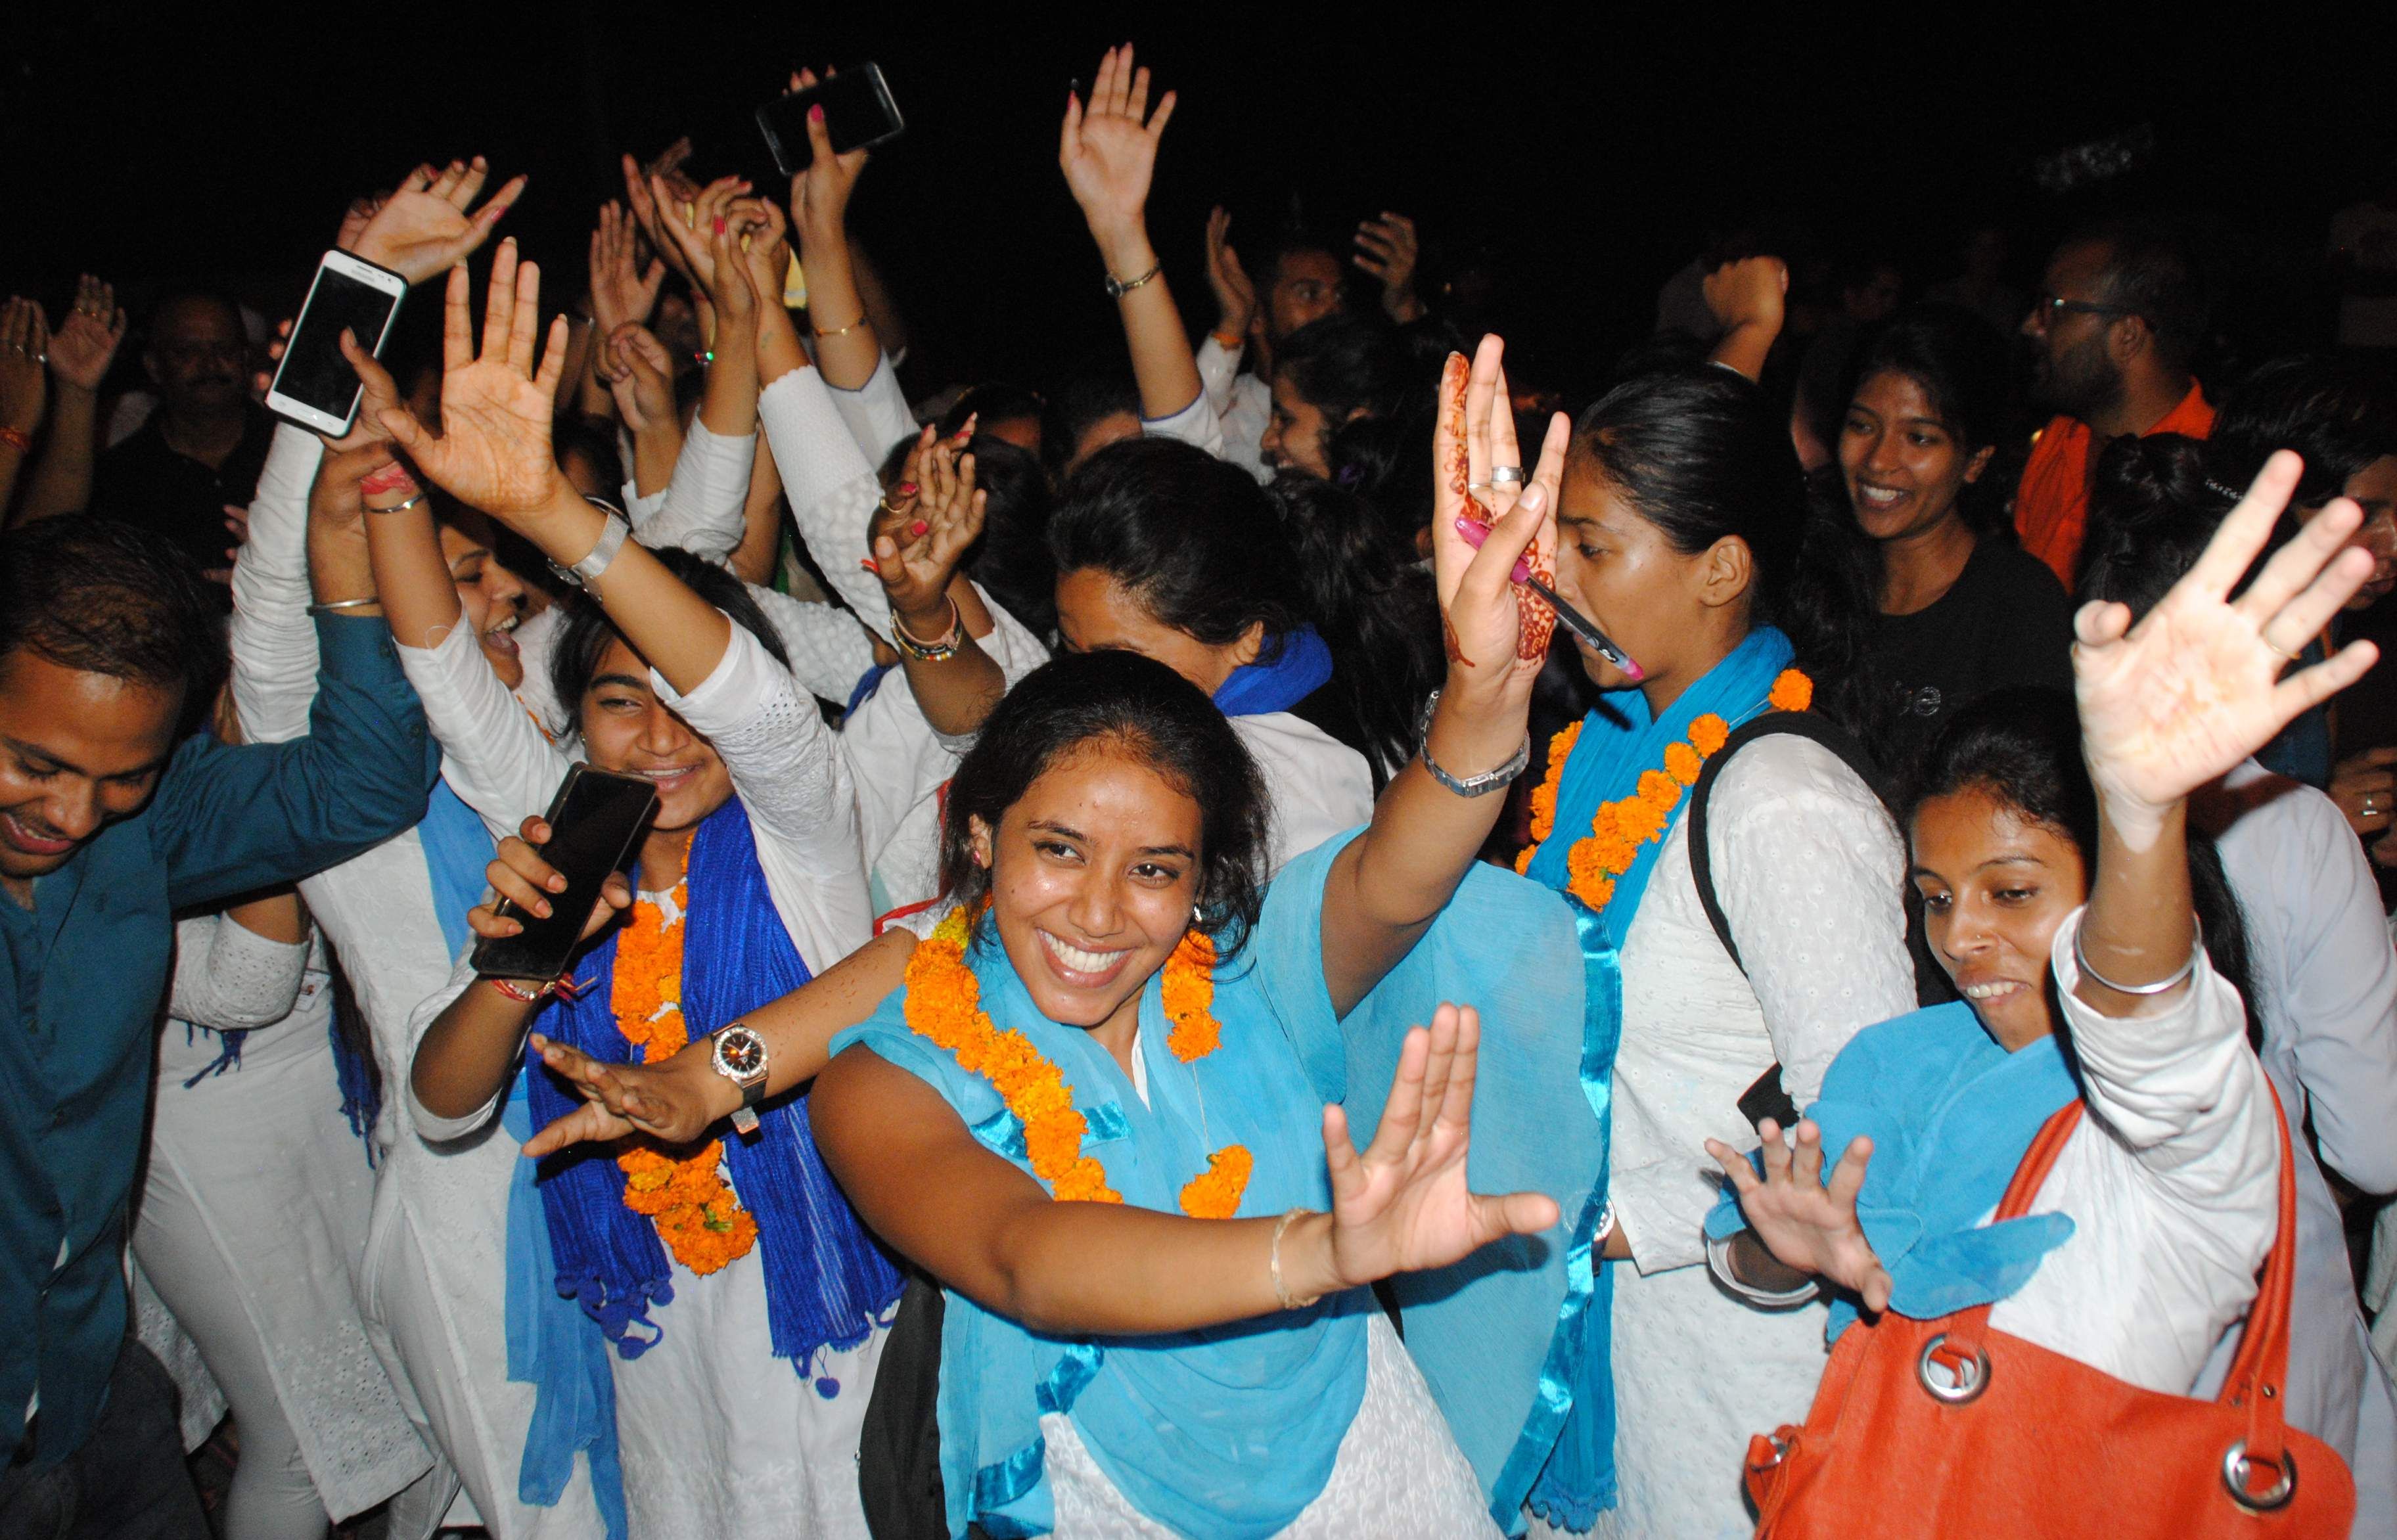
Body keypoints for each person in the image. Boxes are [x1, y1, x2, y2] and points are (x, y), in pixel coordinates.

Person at [508, 361, 1621, 1533]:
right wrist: (1322, 1249)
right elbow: (1026, 1251)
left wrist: (1488, 686)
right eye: (1058, 848)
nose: (1098, 911)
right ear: (979, 835)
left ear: (1202, 882)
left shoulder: (1250, 972)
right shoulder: (885, 1081)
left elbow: (1405, 863)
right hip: (1111, 1493)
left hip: (1360, 1453)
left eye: (1154, 869)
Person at [1705, 454, 2385, 1524]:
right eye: (1932, 895)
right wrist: (1778, 1247)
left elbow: (2147, 1033)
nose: (1959, 934)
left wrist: (2141, 814)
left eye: (2010, 890)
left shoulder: (2190, 1107)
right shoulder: (1910, 1060)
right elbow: (1754, 1250)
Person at [388, 241, 925, 1540]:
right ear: (577, 724)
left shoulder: (802, 833)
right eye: (625, 703)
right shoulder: (568, 846)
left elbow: (765, 718)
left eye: (698, 708)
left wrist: (554, 510)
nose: (669, 739)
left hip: (829, 1324)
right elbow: (446, 1106)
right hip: (662, 1334)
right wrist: (387, 486)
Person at [1508, 359, 1918, 1536]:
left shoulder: (1779, 800)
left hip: (1728, 1365)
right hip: (1600, 1341)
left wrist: (1622, 1216)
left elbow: (1864, 1123)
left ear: (1721, 568)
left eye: (1592, 546)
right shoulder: (1597, 748)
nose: (1554, 576)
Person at [0, 498, 436, 1538]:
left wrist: (341, 558)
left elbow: (372, 782)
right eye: (35, 765)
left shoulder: (143, 828)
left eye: (123, 776)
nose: (71, 816)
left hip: (95, 1400)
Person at [2080, 470, 2397, 1535]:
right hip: (2265, 1292)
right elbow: (2374, 1144)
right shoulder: (2300, 830)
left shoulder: (2041, 806)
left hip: (2095, 1291)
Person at [136, 877, 434, 1540]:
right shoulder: (121, 807)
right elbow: (248, 984)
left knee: (400, 1381)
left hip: (333, 1078)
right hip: (203, 1116)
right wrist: (260, 788)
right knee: (299, 1434)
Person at [1044, 437, 1380, 857]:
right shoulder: (1282, 666)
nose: (1090, 687)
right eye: (1074, 652)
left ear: (1244, 636)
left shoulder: (1281, 794)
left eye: (1121, 661)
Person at [1838, 305, 2074, 753]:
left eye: (1920, 438)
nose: (1878, 460)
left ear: (1976, 462)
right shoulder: (1824, 584)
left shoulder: (2018, 604)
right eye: (1862, 426)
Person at [2199, 353, 2397, 796]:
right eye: (2362, 517)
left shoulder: (2328, 616)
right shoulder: (2226, 638)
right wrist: (2321, 818)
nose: (2393, 546)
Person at [2013, 215, 2216, 587]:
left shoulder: (2211, 479)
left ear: (2127, 335)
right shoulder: (2062, 438)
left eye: (2052, 308)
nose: (2032, 326)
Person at [87, 290, 277, 578]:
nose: (210, 364)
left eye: (224, 350)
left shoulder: (293, 452)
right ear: (154, 366)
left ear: (245, 359)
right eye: (187, 352)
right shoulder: (119, 478)